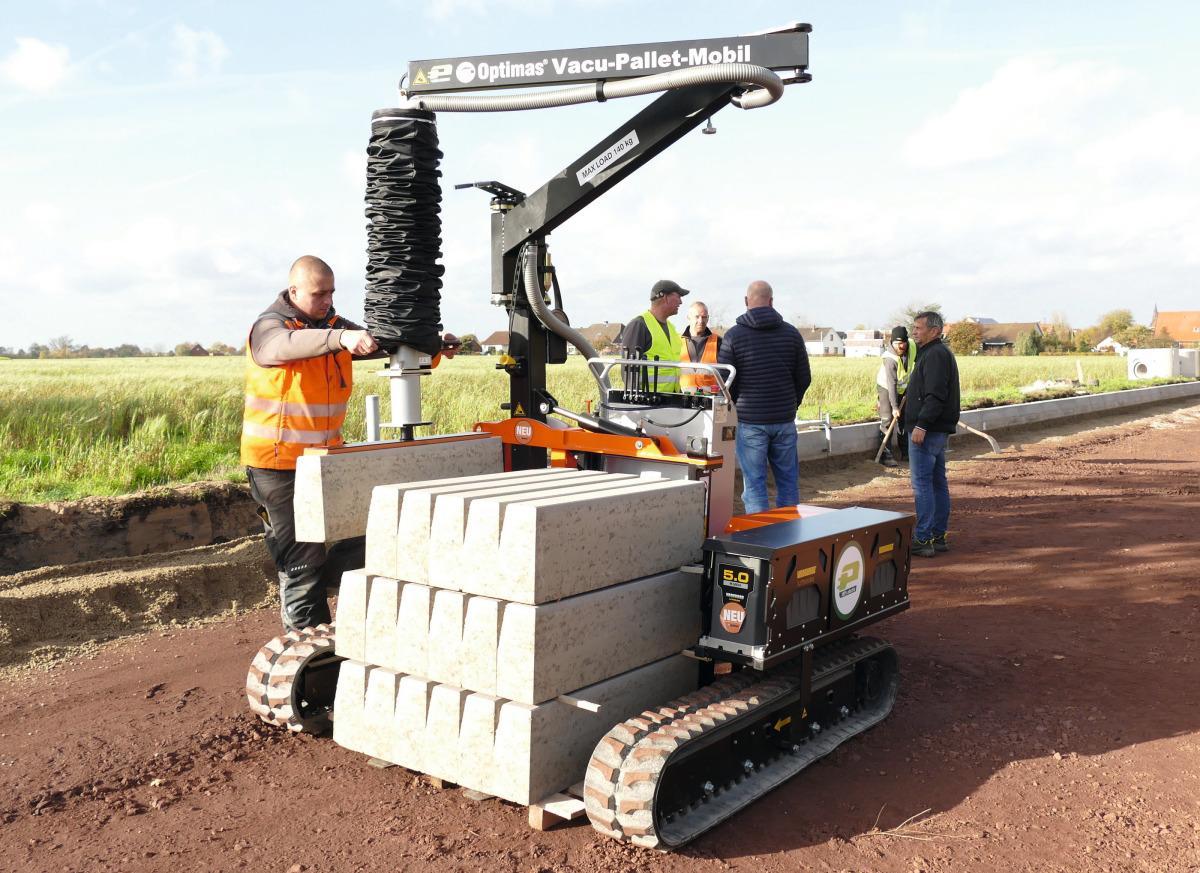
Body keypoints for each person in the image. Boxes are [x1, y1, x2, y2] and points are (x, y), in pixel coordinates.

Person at [240, 255, 381, 632]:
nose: (328, 301)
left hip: (323, 462)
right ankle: (306, 659)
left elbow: (374, 344)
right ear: (294, 291)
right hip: (278, 467)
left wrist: (429, 347)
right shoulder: (269, 328)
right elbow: (286, 345)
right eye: (319, 294)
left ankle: (337, 641)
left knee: (341, 548)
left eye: (332, 293)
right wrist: (340, 338)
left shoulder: (331, 325)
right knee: (301, 564)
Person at [717, 280, 811, 514]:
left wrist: (738, 406)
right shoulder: (791, 333)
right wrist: (791, 403)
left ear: (746, 301)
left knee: (755, 485)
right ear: (771, 301)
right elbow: (804, 377)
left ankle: (760, 540)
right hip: (784, 420)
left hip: (750, 422)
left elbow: (724, 380)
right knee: (788, 483)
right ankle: (789, 537)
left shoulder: (734, 336)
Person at [904, 310, 961, 558]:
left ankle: (924, 538)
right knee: (937, 484)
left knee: (923, 485)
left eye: (918, 328)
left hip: (927, 432)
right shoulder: (934, 353)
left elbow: (936, 396)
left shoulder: (936, 354)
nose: (914, 332)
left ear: (934, 331)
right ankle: (938, 536)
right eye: (914, 327)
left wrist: (921, 425)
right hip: (935, 430)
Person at [619, 279, 687, 393]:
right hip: (648, 402)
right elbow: (628, 371)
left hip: (671, 399)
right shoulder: (639, 325)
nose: (681, 302)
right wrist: (638, 402)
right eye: (678, 297)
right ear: (666, 297)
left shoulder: (671, 327)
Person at [875, 326, 912, 467]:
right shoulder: (889, 359)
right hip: (886, 387)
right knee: (888, 418)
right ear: (891, 342)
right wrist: (895, 407)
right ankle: (886, 454)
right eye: (896, 344)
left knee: (905, 418)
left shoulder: (913, 347)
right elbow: (891, 385)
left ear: (907, 341)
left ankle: (906, 453)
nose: (899, 346)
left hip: (904, 387)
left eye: (902, 343)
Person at [679, 300, 722, 394]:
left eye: (704, 317)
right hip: (683, 399)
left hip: (710, 400)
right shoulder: (678, 341)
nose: (700, 321)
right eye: (697, 317)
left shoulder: (718, 341)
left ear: (708, 318)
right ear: (688, 318)